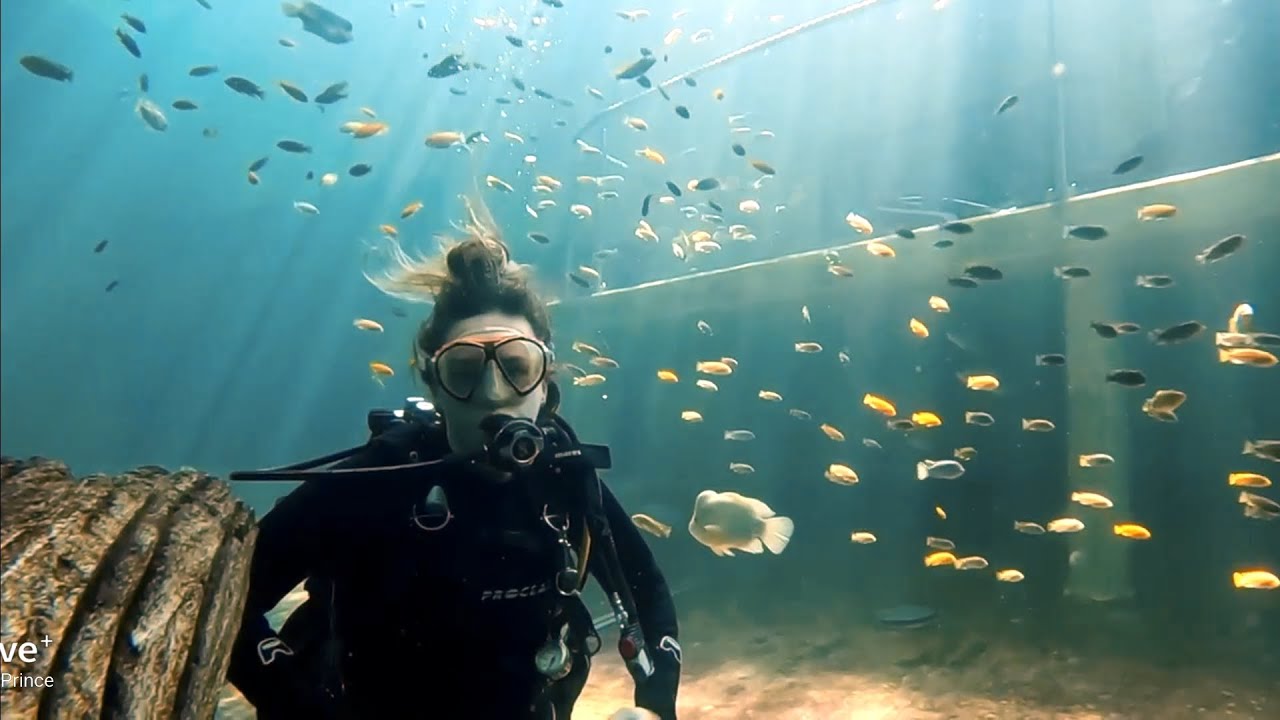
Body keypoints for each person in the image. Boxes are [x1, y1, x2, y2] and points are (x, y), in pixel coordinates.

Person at [226, 196, 681, 719]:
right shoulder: (374, 482)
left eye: (516, 365)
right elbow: (230, 600)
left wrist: (655, 705)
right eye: (464, 370)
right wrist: (305, 708)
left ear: (545, 385)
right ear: (434, 387)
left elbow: (648, 591)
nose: (493, 392)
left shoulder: (567, 480)